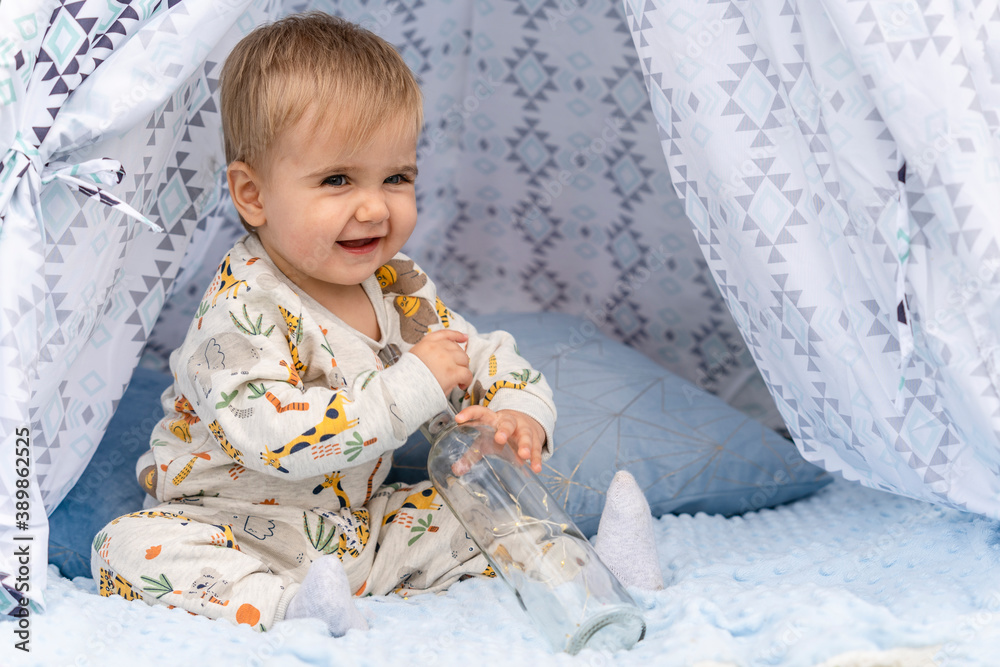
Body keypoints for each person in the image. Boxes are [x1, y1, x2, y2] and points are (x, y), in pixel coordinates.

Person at [91, 12, 661, 636]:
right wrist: (412, 385)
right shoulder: (240, 307)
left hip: (357, 530)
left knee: (477, 503)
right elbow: (271, 436)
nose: (373, 206)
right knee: (124, 547)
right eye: (337, 179)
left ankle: (592, 570)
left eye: (396, 177)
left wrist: (517, 411)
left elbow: (481, 351)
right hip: (227, 529)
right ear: (253, 195)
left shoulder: (398, 286)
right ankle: (290, 609)